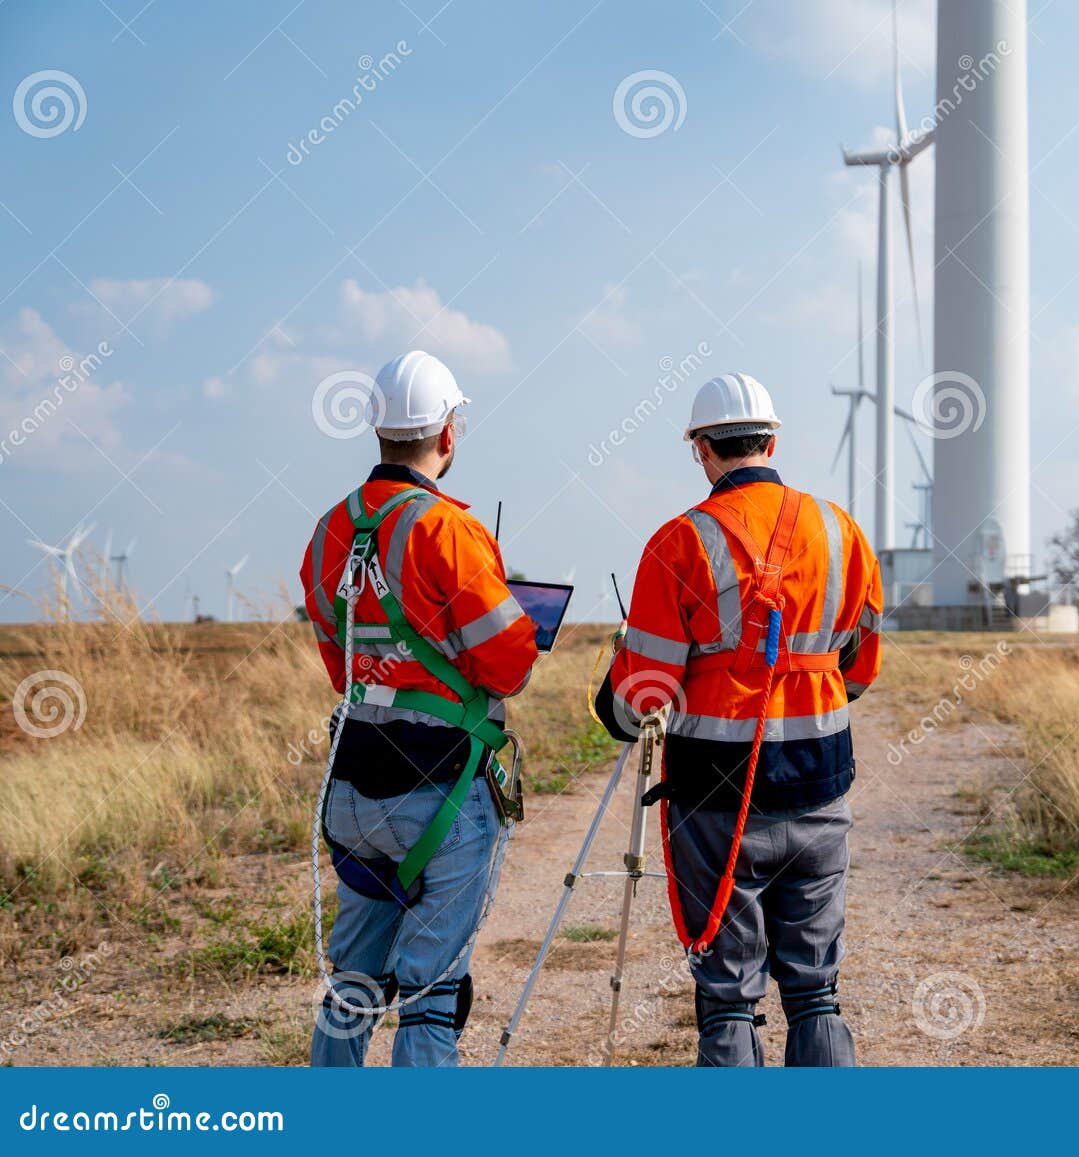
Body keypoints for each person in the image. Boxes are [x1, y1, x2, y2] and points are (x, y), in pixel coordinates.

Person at [595, 371, 883, 1066]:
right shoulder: (842, 531)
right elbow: (861, 668)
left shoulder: (681, 542)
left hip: (717, 805)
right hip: (820, 789)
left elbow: (642, 699)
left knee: (727, 997)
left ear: (700, 448)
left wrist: (615, 687)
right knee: (816, 991)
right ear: (772, 438)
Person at [300, 349, 538, 1067]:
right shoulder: (448, 531)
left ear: (378, 431)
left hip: (353, 789)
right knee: (431, 996)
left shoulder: (329, 530)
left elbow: (340, 663)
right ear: (448, 433)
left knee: (353, 984)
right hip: (438, 793)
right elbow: (511, 662)